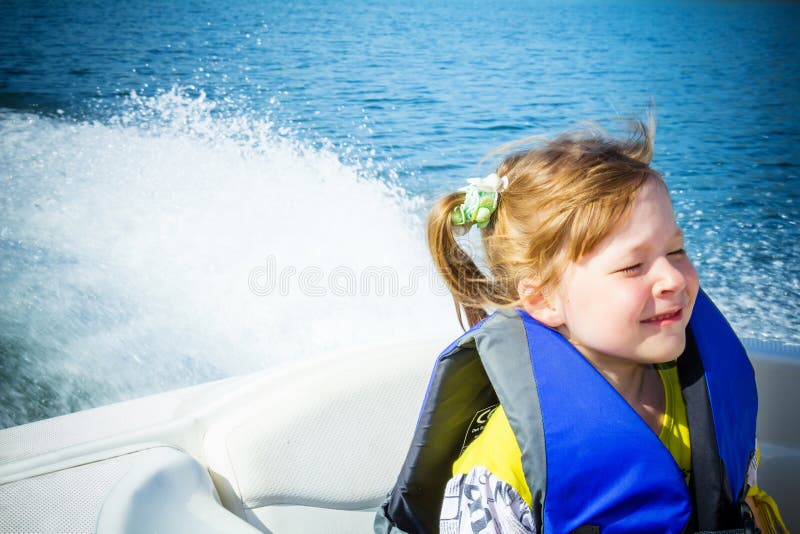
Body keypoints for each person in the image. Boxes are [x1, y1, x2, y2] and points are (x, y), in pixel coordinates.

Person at [375, 120, 786, 533]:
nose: (674, 279)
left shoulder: (701, 398)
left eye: (676, 250)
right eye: (632, 266)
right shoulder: (504, 467)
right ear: (543, 299)